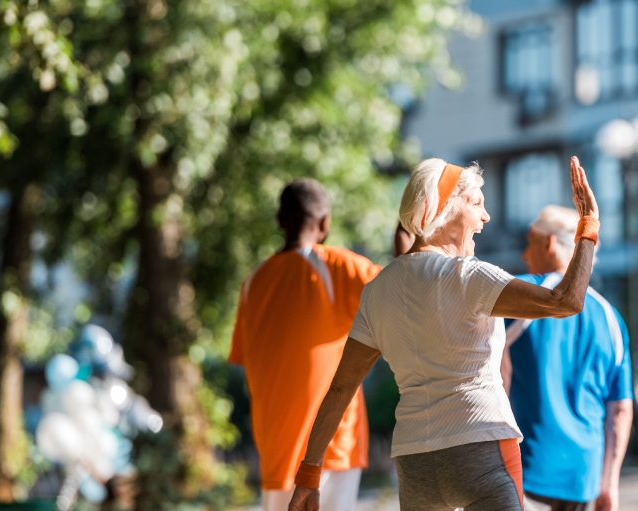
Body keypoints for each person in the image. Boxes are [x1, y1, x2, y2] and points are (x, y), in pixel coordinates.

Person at [288, 156, 601, 511]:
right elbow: (565, 300)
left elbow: (340, 389)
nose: (486, 217)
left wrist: (309, 477)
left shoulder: (376, 291)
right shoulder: (469, 276)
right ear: (446, 208)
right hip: (482, 448)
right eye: (477, 203)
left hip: (415, 463)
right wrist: (588, 226)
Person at [229, 179, 380, 511]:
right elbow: (401, 292)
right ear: (325, 224)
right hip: (332, 446)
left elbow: (246, 360)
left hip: (276, 451)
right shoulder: (338, 265)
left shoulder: (253, 281)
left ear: (280, 221)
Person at [502, 205, 634, 511]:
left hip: (525, 470)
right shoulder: (611, 318)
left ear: (549, 243)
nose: (524, 255)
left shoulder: (519, 298)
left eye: (530, 243)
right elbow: (620, 409)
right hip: (584, 478)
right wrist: (609, 484)